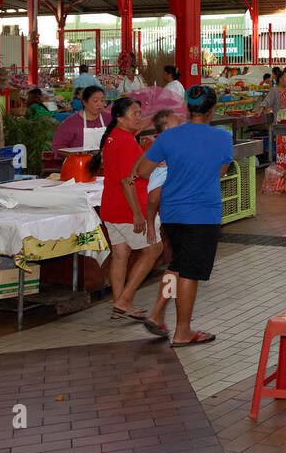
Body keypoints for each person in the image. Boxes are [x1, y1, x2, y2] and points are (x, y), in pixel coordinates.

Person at [135, 85, 233, 346]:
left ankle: (156, 314)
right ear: (212, 109)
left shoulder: (168, 137)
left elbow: (143, 171)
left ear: (188, 109)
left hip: (172, 213)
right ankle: (183, 332)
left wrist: (171, 167)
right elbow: (221, 172)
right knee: (190, 273)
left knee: (177, 265)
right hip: (202, 214)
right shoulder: (223, 138)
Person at [88, 97, 161, 321]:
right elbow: (126, 181)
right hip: (129, 209)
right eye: (134, 113)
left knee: (120, 255)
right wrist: (138, 214)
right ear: (120, 118)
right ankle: (124, 300)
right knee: (153, 250)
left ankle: (119, 305)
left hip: (112, 207)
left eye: (140, 112)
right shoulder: (126, 141)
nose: (139, 117)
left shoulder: (112, 138)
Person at [144, 108, 181, 246]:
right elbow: (142, 160)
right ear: (166, 128)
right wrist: (133, 173)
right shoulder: (156, 143)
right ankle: (150, 224)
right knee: (154, 197)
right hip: (160, 172)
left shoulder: (179, 141)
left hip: (174, 172)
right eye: (177, 124)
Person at [52, 86, 111, 152]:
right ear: (84, 102)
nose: (100, 104)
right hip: (79, 160)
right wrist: (73, 155)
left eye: (102, 100)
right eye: (95, 101)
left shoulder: (109, 118)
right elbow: (58, 146)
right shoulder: (71, 122)